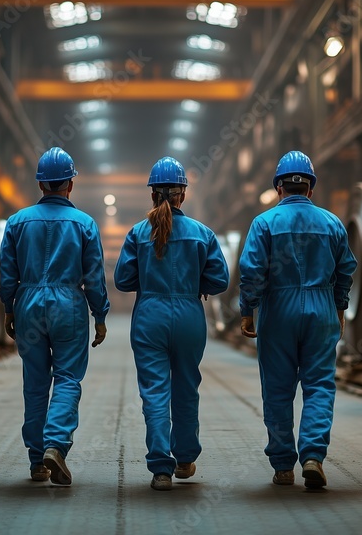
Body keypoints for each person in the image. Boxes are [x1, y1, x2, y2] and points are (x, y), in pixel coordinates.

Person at [239, 150, 356, 489]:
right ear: (311, 188)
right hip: (321, 309)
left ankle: (282, 465)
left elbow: (251, 271)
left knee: (277, 389)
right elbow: (346, 268)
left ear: (278, 187)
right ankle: (313, 456)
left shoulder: (264, 223)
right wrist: (338, 305)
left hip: (279, 310)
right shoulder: (332, 223)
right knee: (319, 385)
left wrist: (249, 309)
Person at [115, 157, 230, 491]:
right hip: (189, 314)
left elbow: (123, 280)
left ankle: (160, 468)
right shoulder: (202, 234)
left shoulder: (138, 233)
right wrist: (197, 285)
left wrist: (149, 279)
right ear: (182, 194)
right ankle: (185, 458)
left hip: (150, 315)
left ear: (152, 194)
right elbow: (219, 280)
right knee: (186, 387)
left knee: (154, 391)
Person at [0, 147, 110, 486]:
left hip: (29, 302)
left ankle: (37, 460)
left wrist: (8, 307)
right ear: (70, 185)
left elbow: (6, 273)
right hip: (68, 306)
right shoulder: (84, 224)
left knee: (34, 383)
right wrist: (100, 312)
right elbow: (93, 275)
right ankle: (55, 444)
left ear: (40, 185)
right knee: (67, 378)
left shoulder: (17, 222)